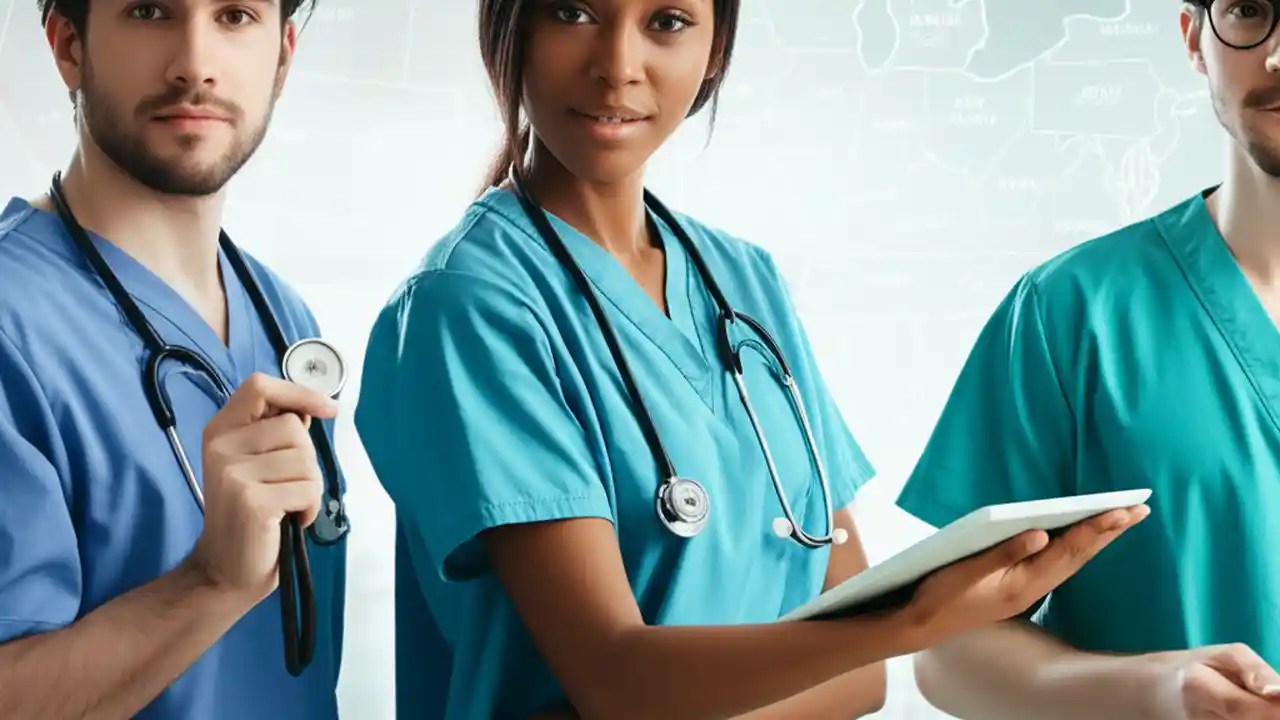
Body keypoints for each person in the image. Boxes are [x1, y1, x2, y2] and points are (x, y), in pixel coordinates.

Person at [355, 0, 1147, 718]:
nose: (619, 66)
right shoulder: (470, 307)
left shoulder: (743, 283)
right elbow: (614, 681)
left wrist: (877, 636)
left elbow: (863, 676)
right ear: (510, 27)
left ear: (715, 46)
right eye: (574, 12)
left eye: (667, 21)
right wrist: (911, 621)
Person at [896, 2, 1280, 718]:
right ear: (1195, 37)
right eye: (1251, 10)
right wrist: (1157, 692)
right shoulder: (1070, 311)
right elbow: (948, 648)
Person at [0, 1, 349, 718]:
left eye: (234, 16)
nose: (195, 63)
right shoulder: (13, 324)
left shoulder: (283, 318)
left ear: (282, 55)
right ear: (70, 45)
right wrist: (212, 581)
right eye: (151, 10)